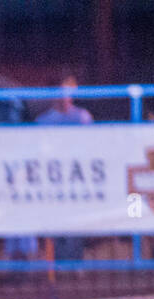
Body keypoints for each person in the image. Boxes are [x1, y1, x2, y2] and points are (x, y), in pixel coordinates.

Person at [36, 74, 93, 264]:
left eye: (67, 92)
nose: (63, 96)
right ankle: (55, 267)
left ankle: (75, 264)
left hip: (77, 178)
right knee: (54, 223)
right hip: (53, 179)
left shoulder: (82, 117)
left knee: (76, 222)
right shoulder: (44, 120)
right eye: (60, 92)